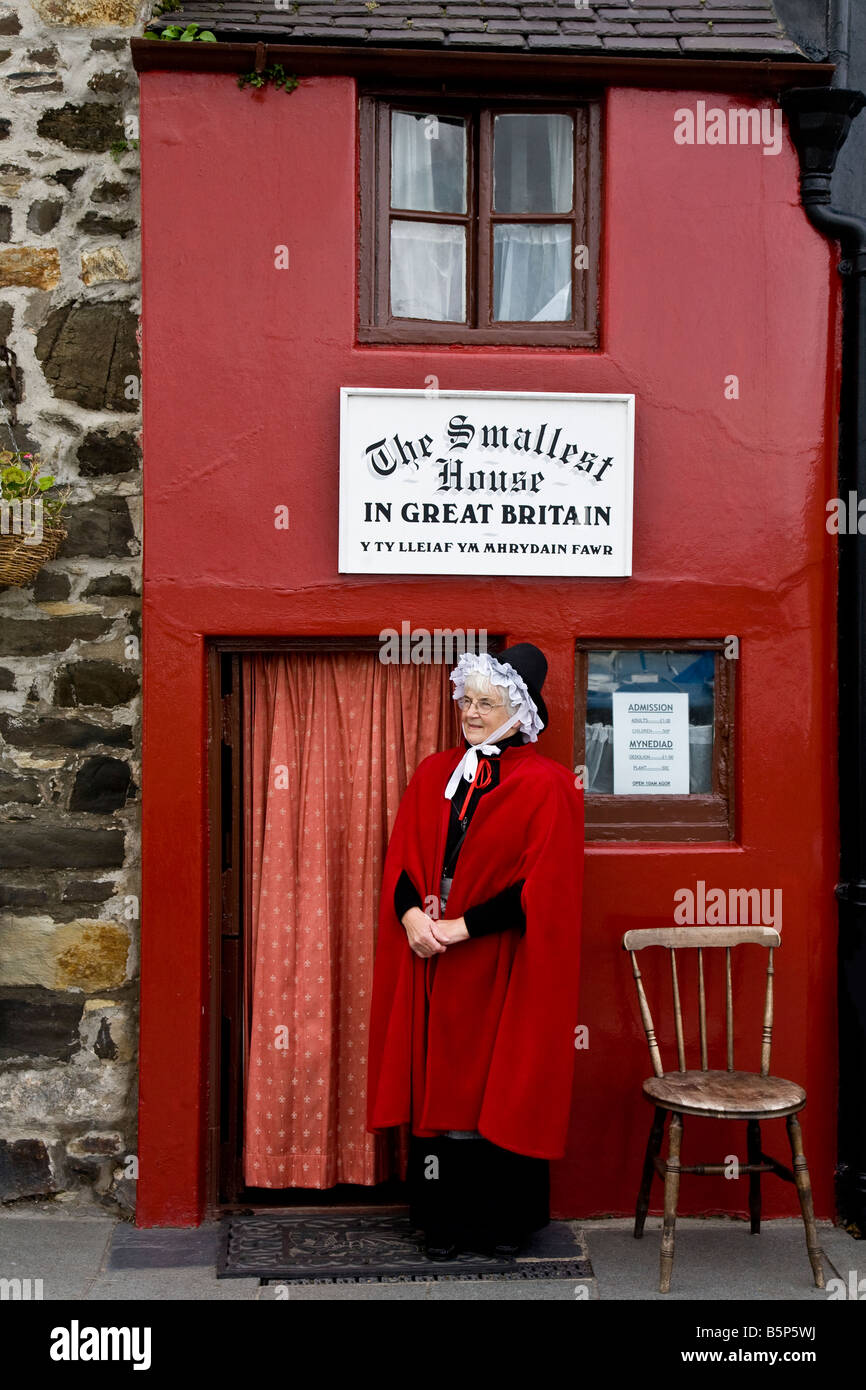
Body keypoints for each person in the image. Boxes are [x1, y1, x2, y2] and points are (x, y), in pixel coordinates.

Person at [366, 643, 584, 1259]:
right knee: (442, 1088)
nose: (471, 711)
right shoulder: (435, 771)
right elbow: (403, 855)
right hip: (432, 954)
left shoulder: (548, 785)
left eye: (487, 702)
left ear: (518, 708)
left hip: (499, 958)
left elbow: (545, 889)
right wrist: (412, 916)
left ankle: (500, 1226)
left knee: (498, 1082)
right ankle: (442, 1223)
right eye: (467, 699)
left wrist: (459, 929)